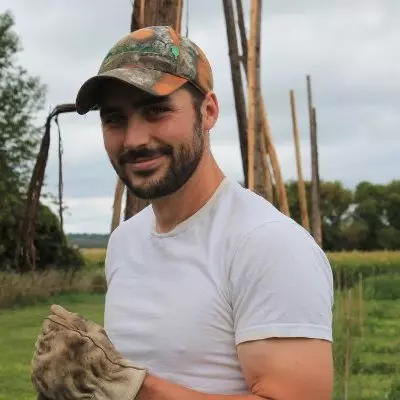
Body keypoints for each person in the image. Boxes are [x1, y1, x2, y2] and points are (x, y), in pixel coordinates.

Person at [31, 26, 334, 400]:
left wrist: (128, 387)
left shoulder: (267, 244)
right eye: (114, 119)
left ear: (208, 112)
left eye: (156, 111)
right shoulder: (125, 241)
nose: (134, 139)